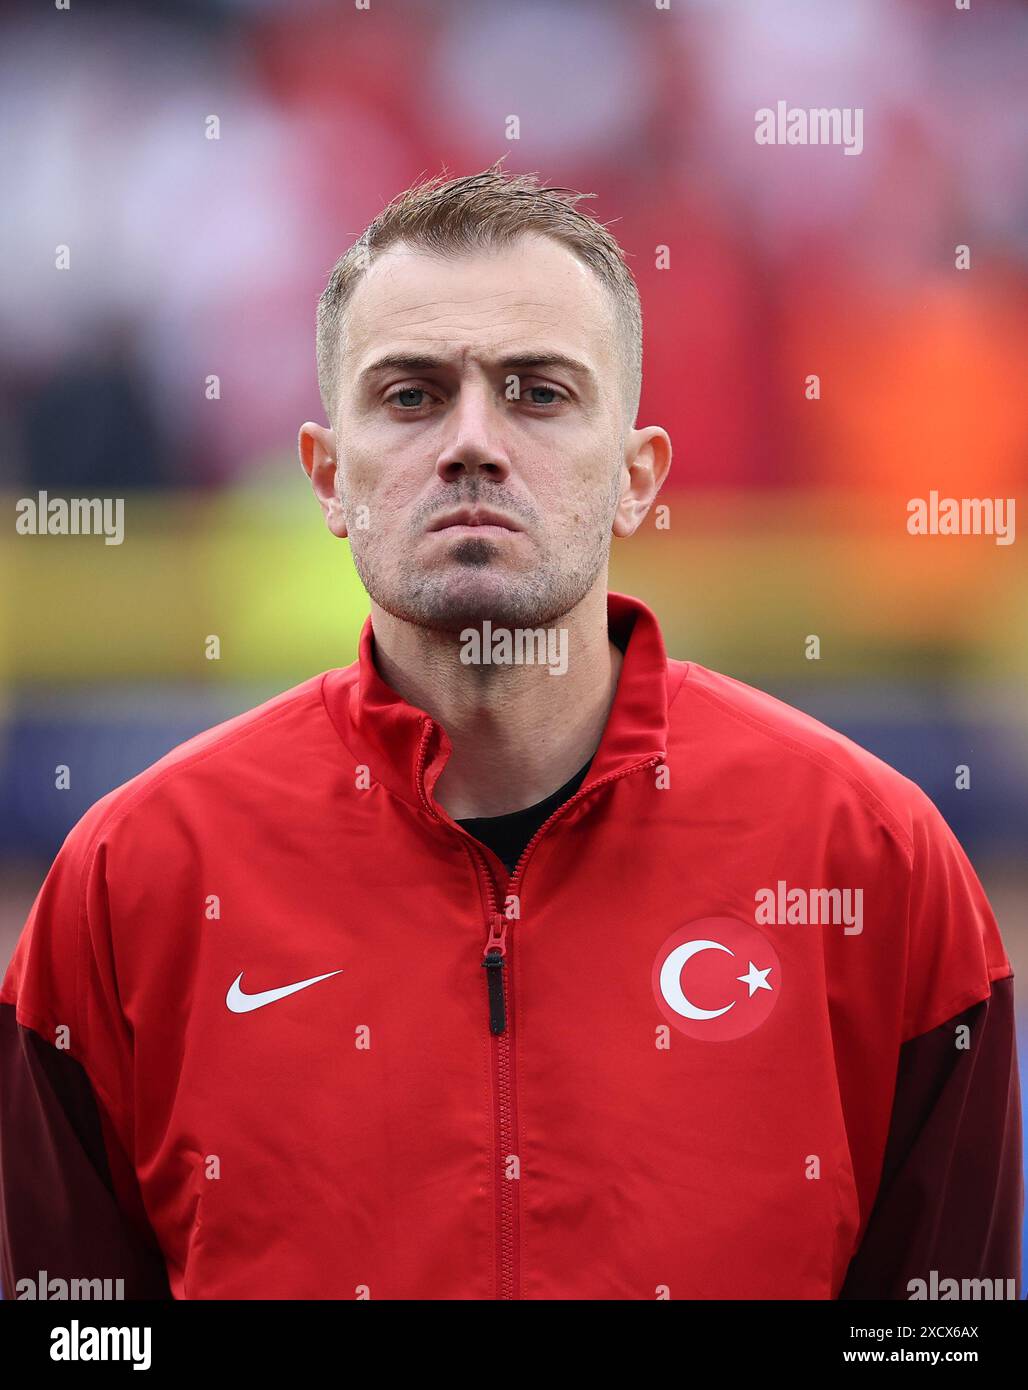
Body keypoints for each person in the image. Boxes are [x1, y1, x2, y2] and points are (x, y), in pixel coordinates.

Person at [0, 163, 1021, 1301]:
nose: (473, 443)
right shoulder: (132, 880)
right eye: (410, 395)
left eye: (537, 393)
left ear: (636, 478)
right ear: (326, 477)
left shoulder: (871, 860)